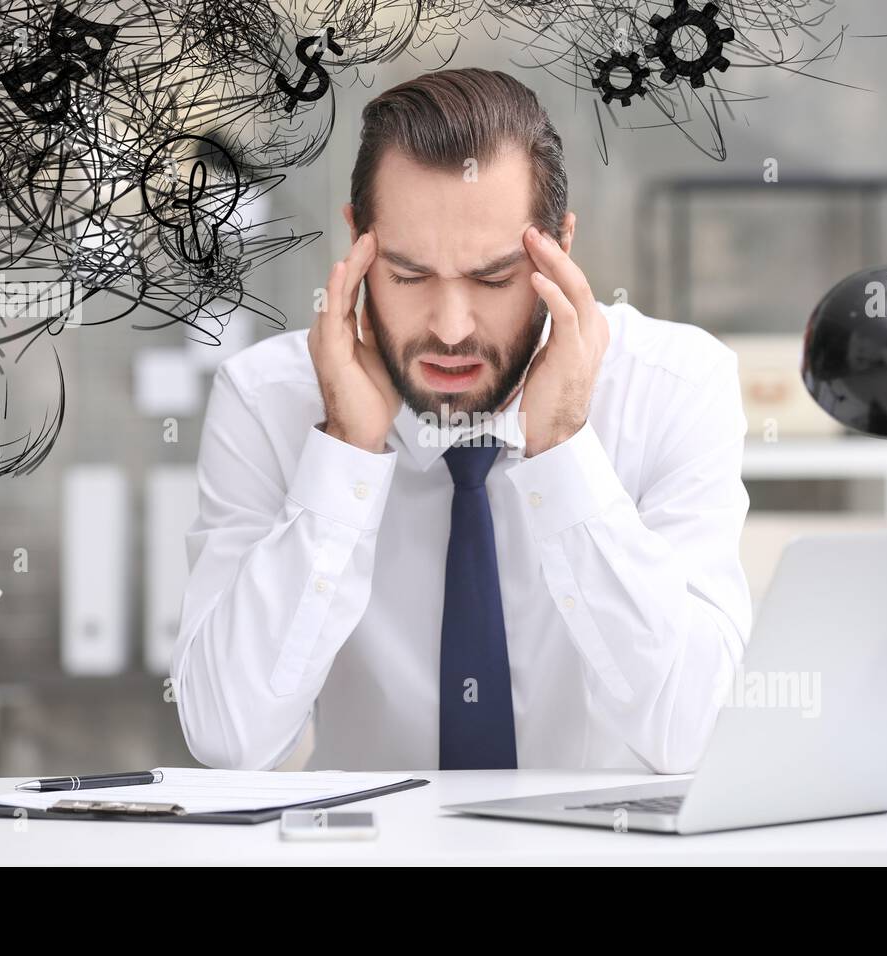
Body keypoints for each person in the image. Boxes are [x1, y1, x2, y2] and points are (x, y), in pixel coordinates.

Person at [171, 67, 751, 774]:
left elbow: (689, 733)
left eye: (494, 279)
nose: (450, 330)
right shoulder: (267, 401)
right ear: (358, 245)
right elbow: (229, 738)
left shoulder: (677, 387)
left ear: (560, 251)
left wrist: (562, 446)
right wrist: (345, 454)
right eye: (410, 278)